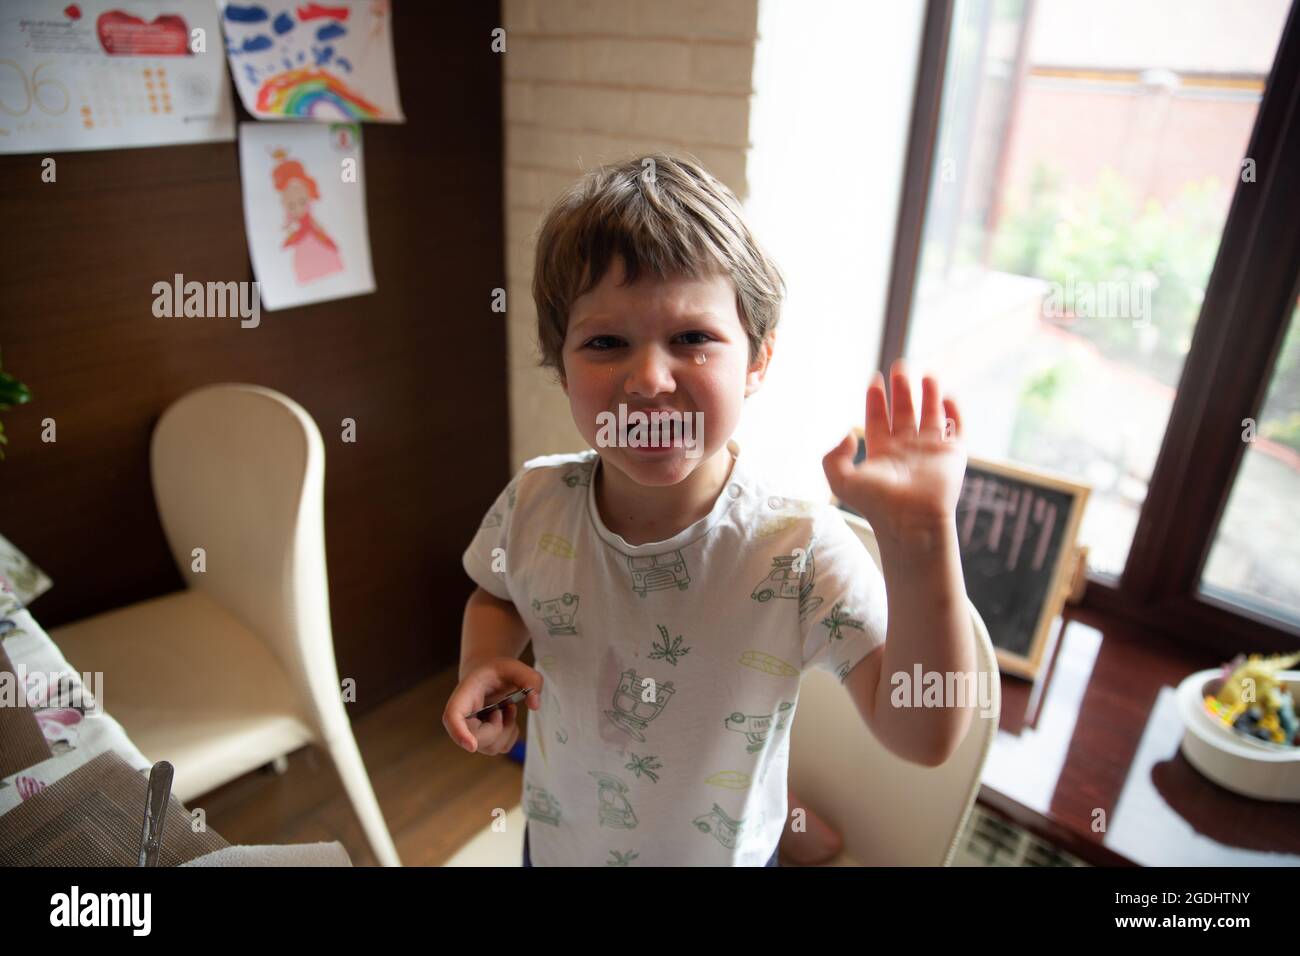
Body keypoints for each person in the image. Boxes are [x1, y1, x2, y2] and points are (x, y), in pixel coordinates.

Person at [443, 154, 976, 866]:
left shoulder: (799, 551)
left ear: (758, 360)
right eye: (606, 342)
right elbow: (497, 592)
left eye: (692, 339)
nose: (650, 379)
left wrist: (921, 544)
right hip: (559, 842)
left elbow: (925, 736)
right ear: (560, 363)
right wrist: (484, 659)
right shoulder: (535, 501)